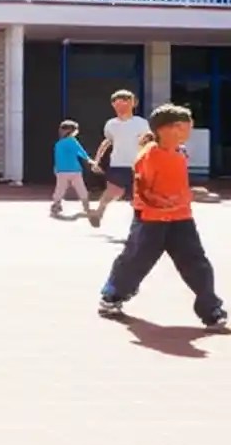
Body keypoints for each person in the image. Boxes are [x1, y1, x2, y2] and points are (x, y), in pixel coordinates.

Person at [98, 104, 226, 329]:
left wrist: (188, 195)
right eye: (185, 127)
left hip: (181, 218)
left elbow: (176, 185)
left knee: (197, 263)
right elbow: (143, 187)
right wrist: (160, 201)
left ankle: (211, 310)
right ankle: (112, 296)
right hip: (151, 220)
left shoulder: (180, 153)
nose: (188, 131)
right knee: (135, 260)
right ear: (167, 129)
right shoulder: (149, 155)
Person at [89, 89, 150, 228]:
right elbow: (107, 141)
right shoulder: (111, 124)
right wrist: (97, 160)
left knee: (137, 195)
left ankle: (140, 223)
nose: (121, 107)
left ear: (133, 104)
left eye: (125, 103)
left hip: (138, 164)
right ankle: (98, 214)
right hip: (117, 163)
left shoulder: (141, 123)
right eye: (117, 104)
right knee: (112, 191)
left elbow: (148, 142)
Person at [51, 119, 98, 217]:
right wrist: (90, 160)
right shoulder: (73, 141)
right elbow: (81, 152)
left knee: (60, 189)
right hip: (75, 170)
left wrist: (56, 168)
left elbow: (57, 157)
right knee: (81, 189)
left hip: (61, 171)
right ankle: (86, 207)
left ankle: (56, 205)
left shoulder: (58, 143)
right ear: (71, 131)